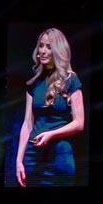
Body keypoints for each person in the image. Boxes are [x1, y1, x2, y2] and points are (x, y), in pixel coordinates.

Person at [15, 28, 85, 187]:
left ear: (58, 50)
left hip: (59, 156)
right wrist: (19, 160)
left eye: (49, 46)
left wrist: (51, 134)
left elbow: (79, 123)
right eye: (41, 46)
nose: (43, 51)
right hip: (33, 158)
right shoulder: (34, 82)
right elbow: (27, 124)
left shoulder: (71, 80)